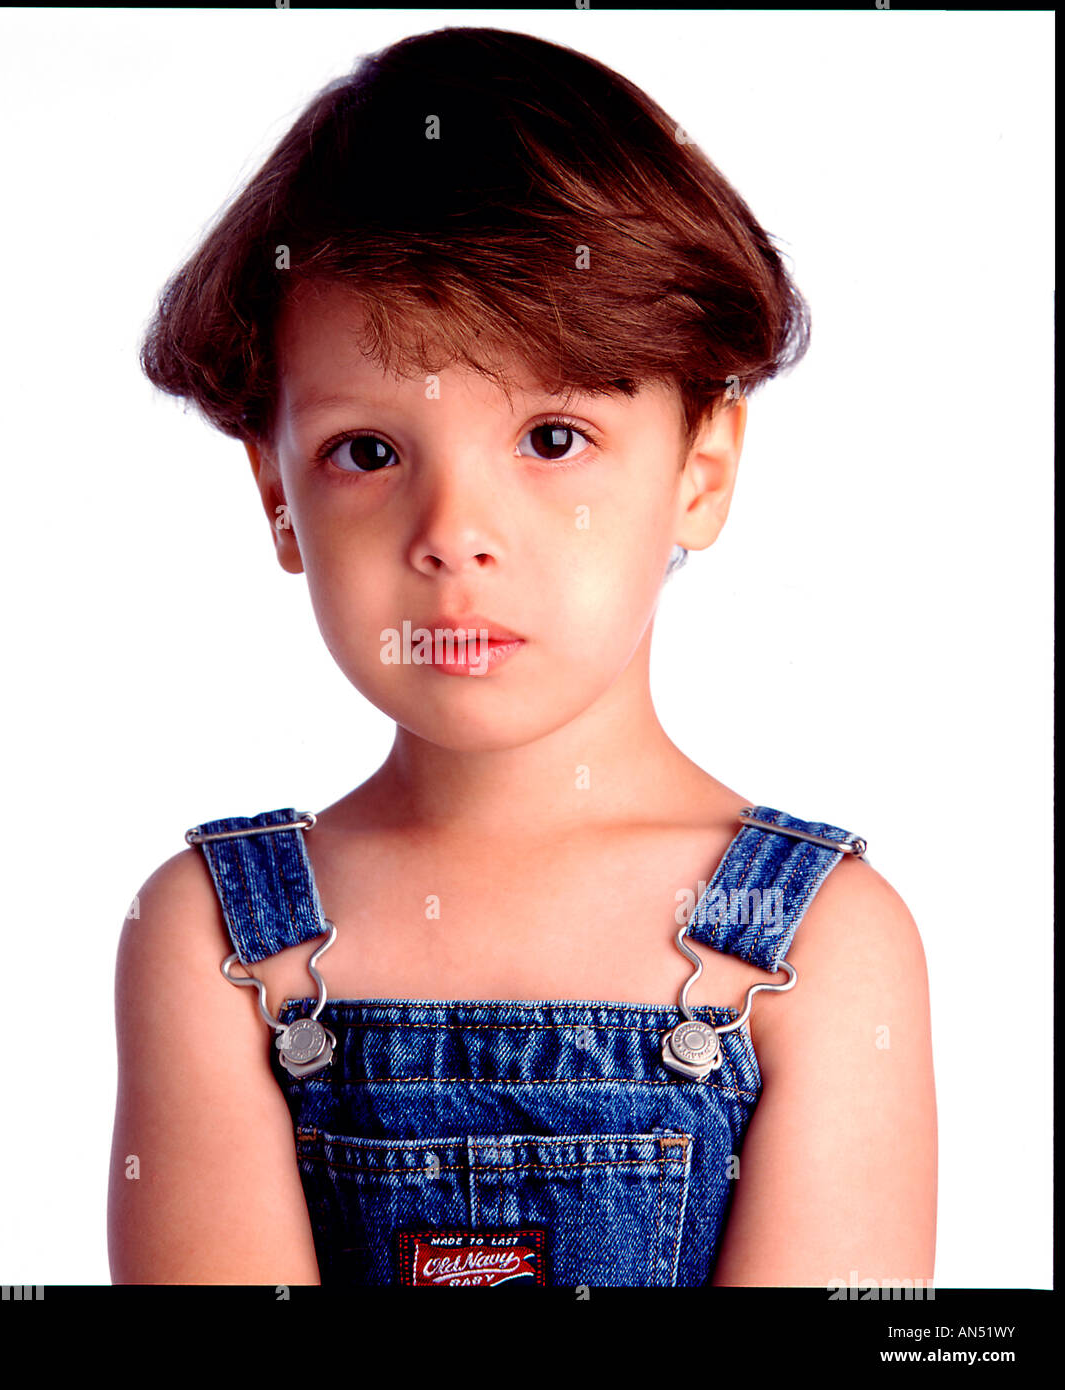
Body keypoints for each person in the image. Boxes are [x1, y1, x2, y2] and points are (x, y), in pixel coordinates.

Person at [108, 25, 936, 1287]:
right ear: (277, 497)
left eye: (551, 438)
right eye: (368, 452)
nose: (453, 535)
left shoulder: (816, 945)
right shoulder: (221, 944)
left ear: (700, 472)